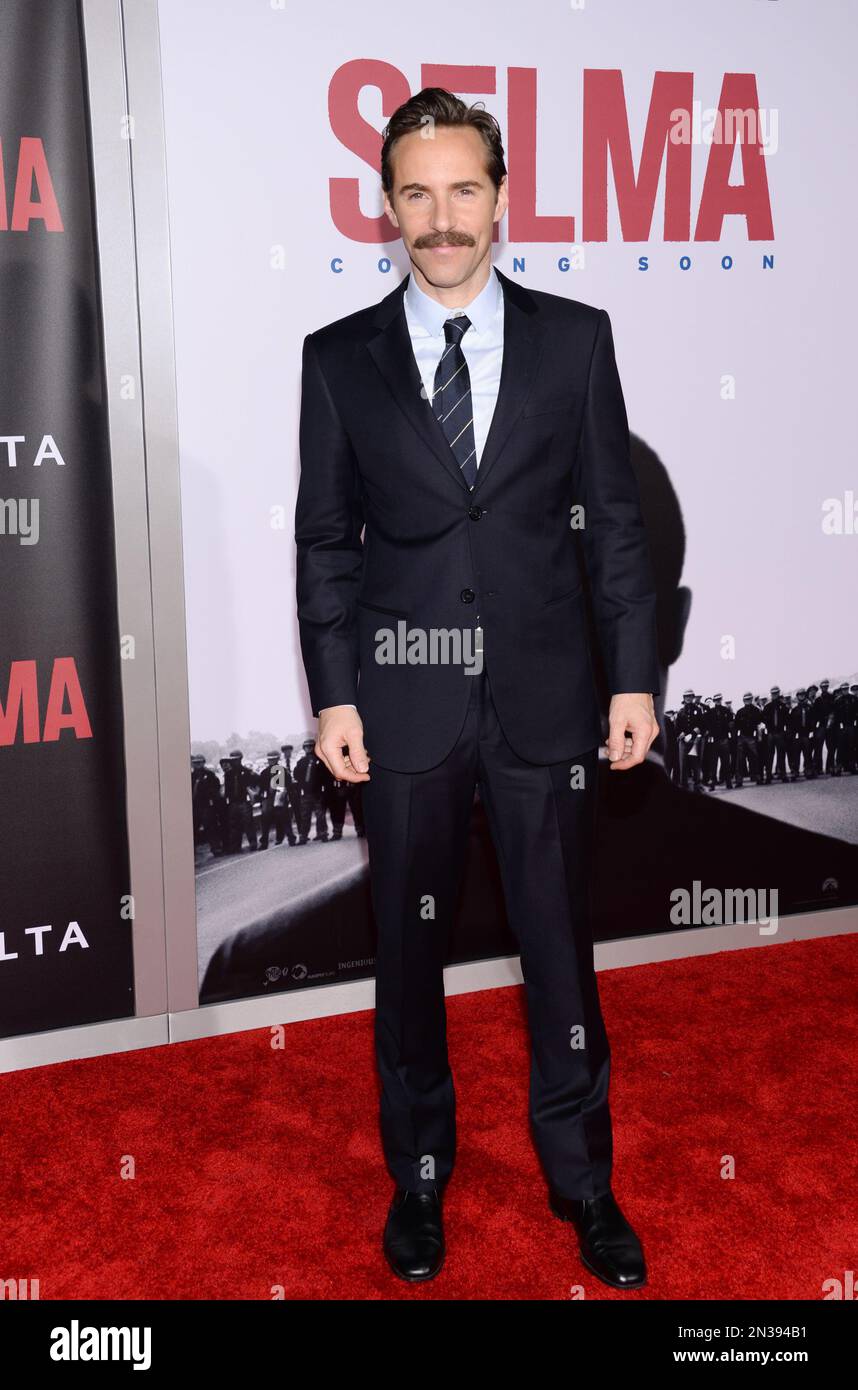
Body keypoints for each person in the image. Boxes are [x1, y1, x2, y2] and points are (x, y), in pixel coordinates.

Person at [294, 88, 659, 1290]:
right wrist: (335, 693)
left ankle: (584, 1182)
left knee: (559, 950)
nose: (440, 219)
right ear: (384, 205)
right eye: (416, 193)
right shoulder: (337, 359)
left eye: (463, 189)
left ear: (500, 196)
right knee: (409, 953)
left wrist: (635, 677)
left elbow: (613, 523)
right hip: (401, 704)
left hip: (549, 699)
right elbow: (328, 539)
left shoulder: (577, 337)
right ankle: (422, 1178)